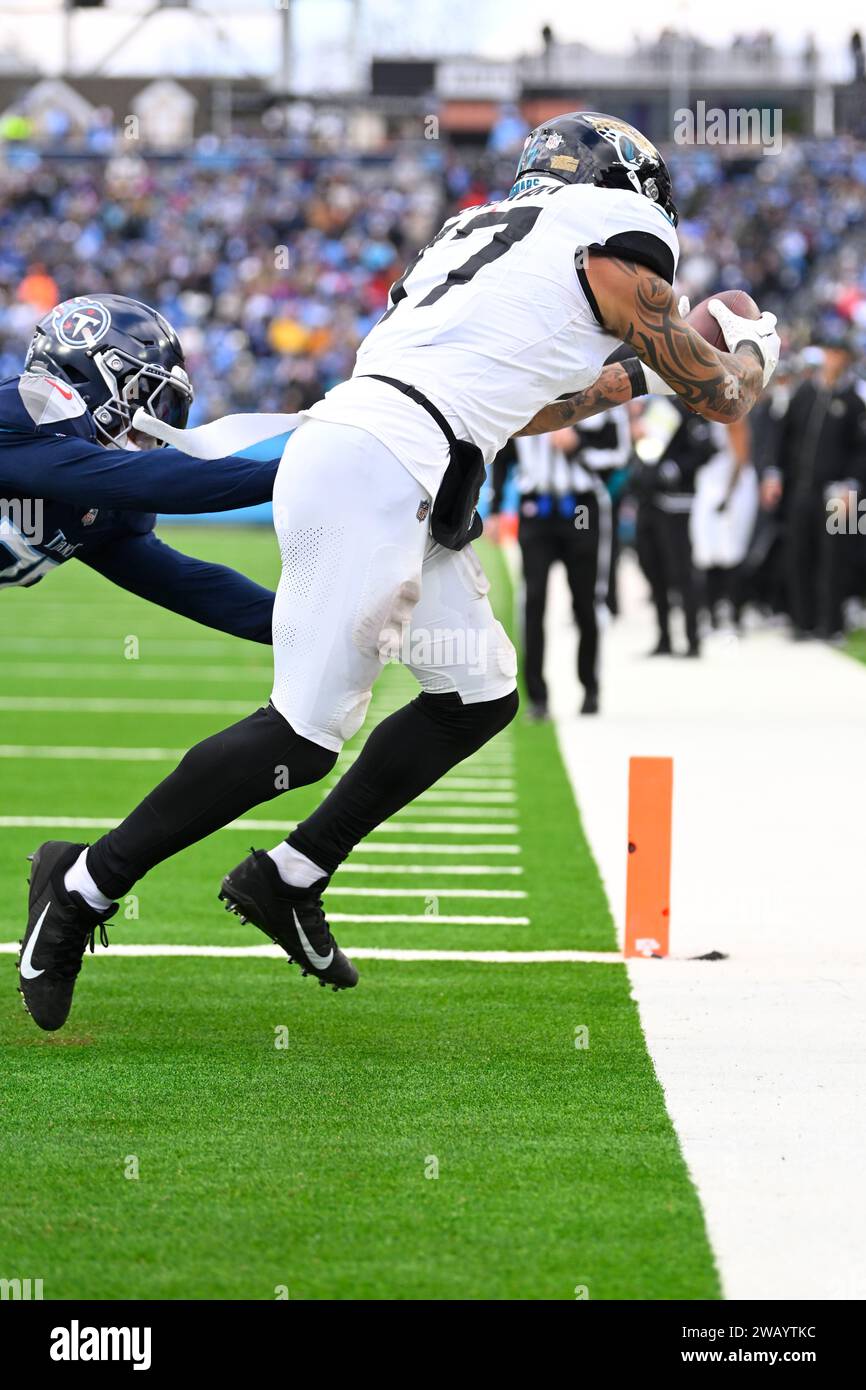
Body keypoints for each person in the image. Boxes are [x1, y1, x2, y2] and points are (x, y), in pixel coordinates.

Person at [18, 112, 780, 1031]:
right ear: (631, 188)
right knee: (299, 738)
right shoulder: (616, 232)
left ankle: (291, 873)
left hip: (389, 453)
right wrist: (746, 352)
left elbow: (517, 407)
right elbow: (721, 395)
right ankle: (82, 884)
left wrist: (636, 379)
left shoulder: (478, 235)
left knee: (479, 690)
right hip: (384, 463)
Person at [1, 293, 287, 640]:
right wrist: (293, 472)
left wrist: (325, 630)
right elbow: (140, 480)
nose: (151, 423)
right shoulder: (28, 409)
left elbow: (189, 587)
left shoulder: (102, 506)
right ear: (96, 373)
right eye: (144, 396)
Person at [490, 407, 631, 716]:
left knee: (585, 599)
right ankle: (536, 696)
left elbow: (620, 454)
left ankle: (590, 687)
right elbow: (502, 453)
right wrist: (498, 507)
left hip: (579, 510)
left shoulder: (602, 398)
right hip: (536, 510)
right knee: (534, 599)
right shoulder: (527, 396)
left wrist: (578, 444)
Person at [763, 326, 866, 640]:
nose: (832, 358)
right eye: (829, 352)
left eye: (838, 353)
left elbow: (862, 450)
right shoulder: (805, 394)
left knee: (838, 557)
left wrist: (852, 484)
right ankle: (802, 621)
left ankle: (832, 623)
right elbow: (782, 438)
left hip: (841, 494)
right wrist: (773, 474)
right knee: (799, 552)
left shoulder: (854, 401)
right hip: (801, 489)